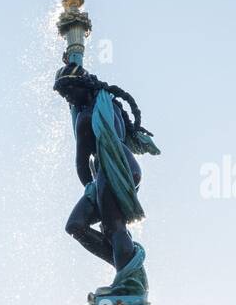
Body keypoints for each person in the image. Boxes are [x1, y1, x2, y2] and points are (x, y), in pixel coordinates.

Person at [53, 62, 159, 271]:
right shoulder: (110, 104)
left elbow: (82, 164)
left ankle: (127, 274)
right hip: (129, 167)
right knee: (80, 226)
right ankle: (126, 267)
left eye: (69, 92)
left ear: (82, 85)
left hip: (109, 169)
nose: (68, 98)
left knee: (111, 227)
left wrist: (91, 188)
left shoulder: (85, 117)